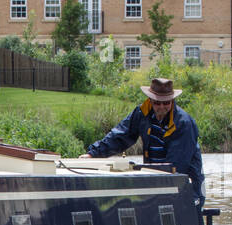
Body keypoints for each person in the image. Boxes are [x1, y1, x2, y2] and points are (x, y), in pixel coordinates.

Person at [82, 76, 206, 210]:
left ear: (172, 101)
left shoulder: (184, 123)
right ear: (150, 100)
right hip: (157, 183)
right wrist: (93, 154)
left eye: (166, 103)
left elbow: (176, 166)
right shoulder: (141, 113)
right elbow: (121, 135)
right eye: (157, 103)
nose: (162, 107)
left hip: (188, 187)